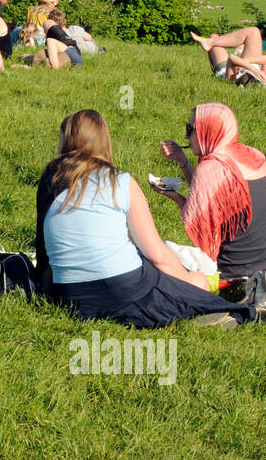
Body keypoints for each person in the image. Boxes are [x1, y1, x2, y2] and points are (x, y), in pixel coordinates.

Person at [35, 110, 252, 328]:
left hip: (69, 295)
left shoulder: (51, 177)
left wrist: (45, 287)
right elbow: (157, 254)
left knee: (147, 264)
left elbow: (43, 245)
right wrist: (189, 283)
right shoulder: (120, 181)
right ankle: (210, 308)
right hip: (123, 287)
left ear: (68, 140)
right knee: (197, 280)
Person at [155, 103, 266, 281]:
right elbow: (205, 191)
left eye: (190, 128)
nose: (186, 136)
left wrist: (178, 198)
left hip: (235, 272)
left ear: (208, 130)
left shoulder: (210, 168)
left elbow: (199, 223)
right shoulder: (253, 155)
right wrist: (182, 160)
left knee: (155, 252)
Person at [189, 26, 266, 87]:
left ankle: (210, 42)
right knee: (253, 31)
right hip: (250, 62)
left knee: (213, 36)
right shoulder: (265, 81)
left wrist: (251, 68)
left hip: (226, 67)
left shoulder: (233, 78)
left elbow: (231, 58)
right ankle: (209, 42)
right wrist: (248, 66)